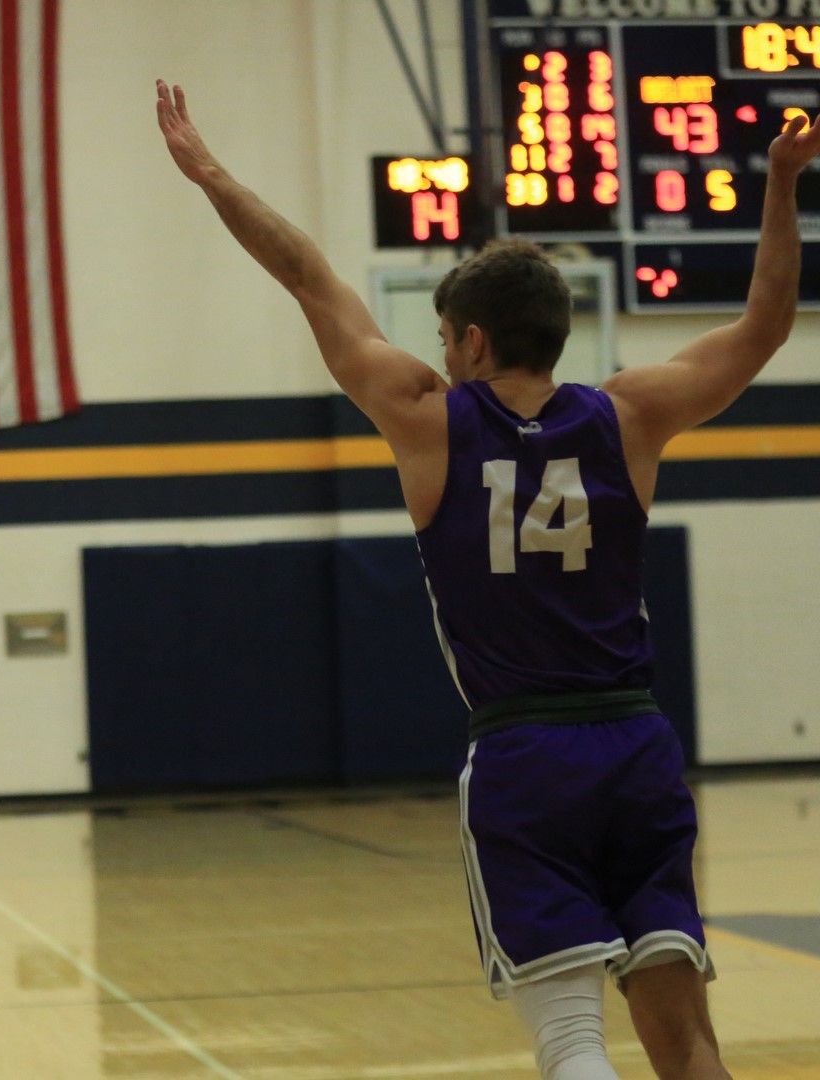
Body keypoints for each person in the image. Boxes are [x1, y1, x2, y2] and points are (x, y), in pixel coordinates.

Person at [153, 79, 820, 1080]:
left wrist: (209, 174)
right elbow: (766, 328)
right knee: (687, 1043)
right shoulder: (631, 414)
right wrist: (779, 184)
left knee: (570, 1040)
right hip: (639, 743)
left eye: (441, 338)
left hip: (524, 756)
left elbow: (309, 277)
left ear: (469, 341)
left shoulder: (426, 418)